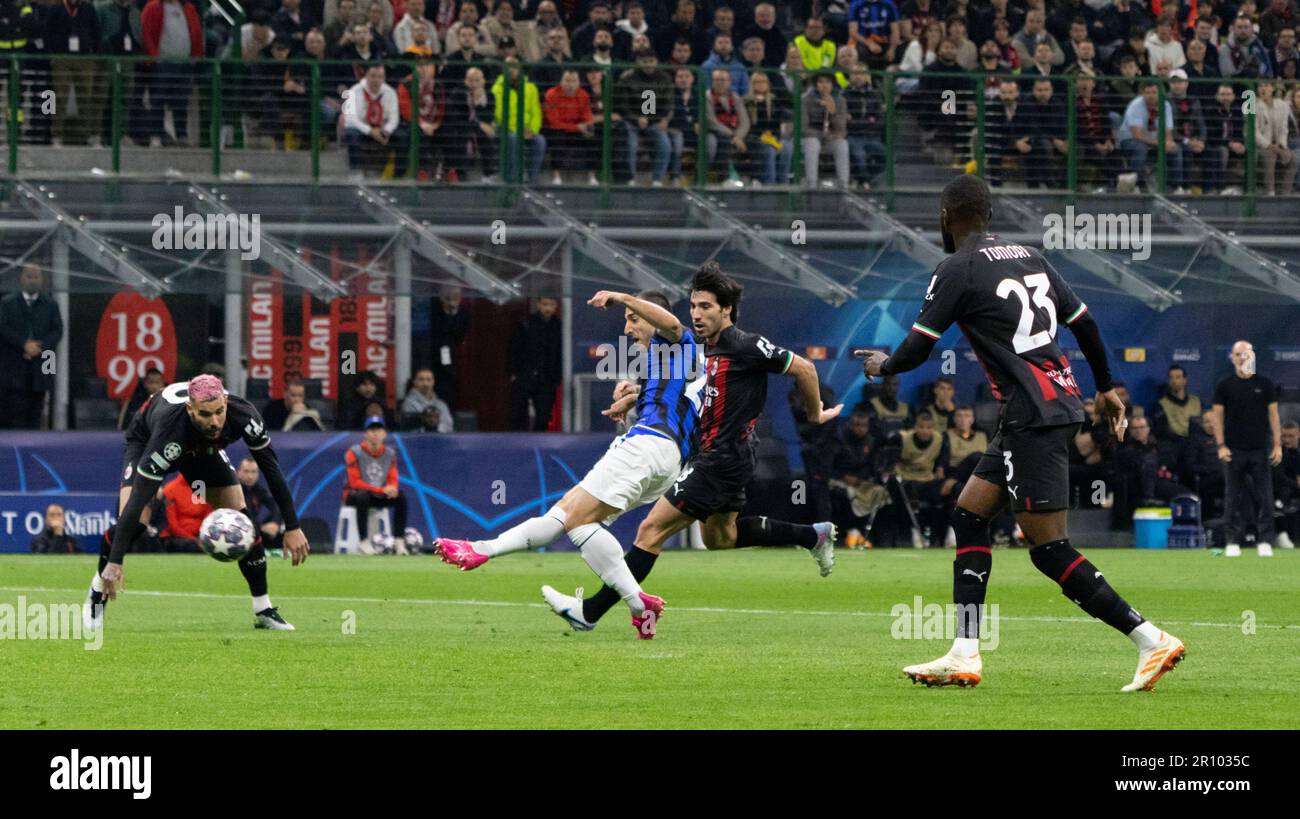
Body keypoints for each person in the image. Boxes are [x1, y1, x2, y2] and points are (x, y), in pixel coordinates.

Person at [857, 174, 1185, 692]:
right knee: (968, 514)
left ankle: (1149, 638)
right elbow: (1086, 325)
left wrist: (882, 365)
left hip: (1034, 417)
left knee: (1048, 547)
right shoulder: (1030, 255)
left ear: (947, 216)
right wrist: (1104, 388)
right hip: (1041, 410)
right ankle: (965, 652)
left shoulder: (957, 267)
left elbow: (918, 347)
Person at [538, 263, 843, 638]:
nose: (697, 315)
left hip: (721, 458)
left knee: (651, 530)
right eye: (694, 306)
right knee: (721, 538)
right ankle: (814, 535)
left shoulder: (745, 345)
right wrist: (635, 394)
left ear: (726, 309)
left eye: (707, 307)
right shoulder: (708, 350)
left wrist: (815, 415)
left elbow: (806, 369)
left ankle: (591, 611)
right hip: (725, 456)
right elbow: (693, 393)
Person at [437, 290, 705, 638]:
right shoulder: (676, 362)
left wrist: (621, 297)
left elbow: (671, 323)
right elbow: (674, 395)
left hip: (647, 445)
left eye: (633, 319)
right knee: (577, 523)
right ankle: (634, 605)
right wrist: (635, 396)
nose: (627, 329)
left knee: (568, 515)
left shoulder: (675, 338)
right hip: (667, 460)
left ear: (652, 315)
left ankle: (483, 550)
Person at [85, 375, 310, 632]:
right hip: (147, 439)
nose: (214, 422)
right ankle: (97, 592)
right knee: (135, 521)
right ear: (190, 409)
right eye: (205, 414)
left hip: (203, 450)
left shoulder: (244, 416)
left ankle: (263, 609)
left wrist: (292, 526)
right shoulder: (169, 432)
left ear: (225, 401)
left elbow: (272, 471)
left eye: (219, 412)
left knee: (243, 522)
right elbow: (138, 500)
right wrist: (116, 561)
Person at [1212, 340, 1283, 556]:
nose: (1242, 357)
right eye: (1238, 354)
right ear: (1232, 357)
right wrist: (1221, 445)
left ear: (1252, 356)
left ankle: (1265, 540)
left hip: (1259, 448)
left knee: (1265, 496)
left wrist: (1278, 444)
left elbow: (1273, 415)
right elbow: (1217, 417)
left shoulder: (1265, 384)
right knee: (1233, 496)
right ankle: (1233, 540)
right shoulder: (1224, 385)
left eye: (1246, 353)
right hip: (1233, 449)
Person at [0, 263, 63, 430]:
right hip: (13, 368)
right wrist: (23, 345)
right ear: (22, 278)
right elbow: (3, 328)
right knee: (12, 412)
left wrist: (38, 348)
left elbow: (57, 331)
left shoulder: (51, 305)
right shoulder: (7, 303)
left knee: (35, 411)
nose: (33, 281)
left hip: (41, 366)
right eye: (29, 276)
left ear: (41, 280)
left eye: (36, 277)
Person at [343, 414, 419, 553]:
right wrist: (381, 490)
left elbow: (392, 479)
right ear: (366, 434)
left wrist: (392, 489)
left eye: (378, 430)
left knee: (400, 497)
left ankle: (399, 540)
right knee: (362, 496)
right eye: (371, 430)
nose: (375, 434)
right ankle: (363, 541)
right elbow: (355, 483)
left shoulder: (390, 454)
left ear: (384, 433)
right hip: (353, 495)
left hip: (376, 494)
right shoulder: (353, 452)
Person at [615, 48, 674, 185]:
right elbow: (623, 105)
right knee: (631, 143)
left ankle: (657, 180)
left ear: (656, 61)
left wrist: (661, 119)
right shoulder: (627, 79)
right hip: (632, 121)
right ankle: (630, 179)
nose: (648, 64)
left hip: (655, 122)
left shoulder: (664, 79)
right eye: (645, 61)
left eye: (651, 61)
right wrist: (636, 118)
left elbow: (668, 103)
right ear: (638, 62)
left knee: (665, 144)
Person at [342, 62, 407, 176]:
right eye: (373, 76)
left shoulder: (390, 92)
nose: (376, 80)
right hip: (363, 130)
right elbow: (350, 119)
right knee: (351, 134)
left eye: (380, 77)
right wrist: (370, 131)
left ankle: (398, 174)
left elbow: (394, 119)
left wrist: (385, 131)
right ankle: (356, 172)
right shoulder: (353, 91)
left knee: (402, 136)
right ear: (366, 76)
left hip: (382, 129)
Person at [507, 296, 562, 430]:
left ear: (556, 306)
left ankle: (539, 441)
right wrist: (513, 372)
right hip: (525, 374)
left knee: (543, 415)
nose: (548, 308)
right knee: (518, 414)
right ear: (538, 305)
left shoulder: (558, 327)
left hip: (547, 377)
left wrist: (556, 377)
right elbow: (514, 349)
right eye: (545, 304)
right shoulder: (527, 324)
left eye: (551, 304)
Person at [238, 456, 284, 553]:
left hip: (255, 531)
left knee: (284, 525)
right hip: (236, 530)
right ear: (239, 472)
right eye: (246, 471)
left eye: (253, 472)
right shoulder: (233, 490)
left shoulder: (259, 490)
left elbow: (277, 506)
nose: (250, 476)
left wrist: (275, 523)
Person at [1152, 364, 1202, 445]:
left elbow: (1202, 424)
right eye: (1171, 378)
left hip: (1195, 444)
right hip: (1173, 446)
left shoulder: (1196, 401)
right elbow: (1162, 431)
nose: (1174, 381)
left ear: (1185, 380)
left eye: (1178, 377)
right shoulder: (1161, 404)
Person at [261, 379, 326, 431]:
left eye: (300, 395)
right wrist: (293, 415)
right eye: (293, 395)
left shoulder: (306, 408)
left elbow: (319, 434)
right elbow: (277, 435)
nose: (297, 399)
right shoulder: (272, 409)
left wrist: (312, 416)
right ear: (285, 394)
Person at [400, 367, 453, 431]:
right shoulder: (408, 403)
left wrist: (437, 429)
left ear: (433, 382)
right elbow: (411, 428)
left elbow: (449, 426)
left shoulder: (441, 404)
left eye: (428, 380)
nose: (425, 383)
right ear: (415, 382)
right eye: (421, 380)